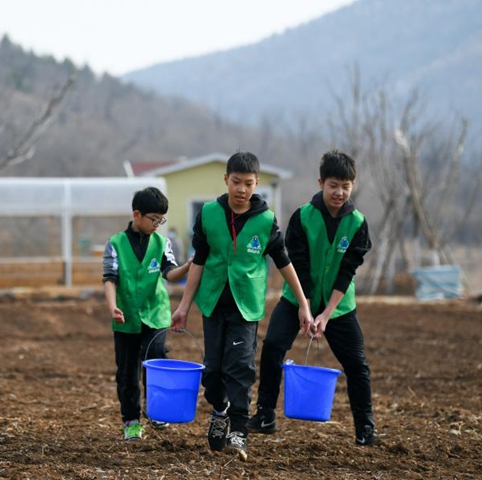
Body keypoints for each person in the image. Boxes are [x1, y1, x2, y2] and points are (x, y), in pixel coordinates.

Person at [171, 152, 312, 461]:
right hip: (212, 303)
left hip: (245, 307)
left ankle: (238, 430)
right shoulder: (208, 214)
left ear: (256, 183)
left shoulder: (266, 220)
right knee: (213, 371)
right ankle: (219, 412)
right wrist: (183, 306)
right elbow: (199, 261)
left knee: (240, 368)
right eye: (236, 182)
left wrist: (303, 304)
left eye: (248, 184)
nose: (242, 189)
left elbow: (284, 263)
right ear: (226, 180)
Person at [248, 150, 379, 446]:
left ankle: (365, 428)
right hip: (296, 298)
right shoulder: (303, 217)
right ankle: (265, 415)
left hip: (339, 305)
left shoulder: (358, 223)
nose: (339, 192)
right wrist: (305, 308)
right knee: (272, 347)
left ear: (353, 186)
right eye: (334, 185)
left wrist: (327, 313)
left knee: (357, 364)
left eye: (346, 186)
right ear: (321, 183)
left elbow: (348, 271)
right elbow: (299, 267)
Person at [103, 187, 192, 441]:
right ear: (137, 214)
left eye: (161, 220)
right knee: (127, 371)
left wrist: (187, 266)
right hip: (126, 316)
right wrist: (112, 307)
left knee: (155, 362)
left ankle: (157, 411)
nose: (157, 224)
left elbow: (170, 273)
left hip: (156, 314)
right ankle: (131, 420)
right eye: (153, 219)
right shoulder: (116, 243)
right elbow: (109, 279)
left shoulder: (161, 243)